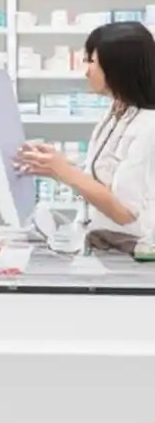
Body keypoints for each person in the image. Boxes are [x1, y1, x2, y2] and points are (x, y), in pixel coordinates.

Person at [15, 21, 155, 253]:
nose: (86, 70)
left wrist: (65, 172)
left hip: (133, 255)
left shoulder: (148, 126)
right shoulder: (115, 114)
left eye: (91, 61)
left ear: (117, 68)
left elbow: (125, 212)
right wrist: (54, 166)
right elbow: (102, 179)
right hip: (103, 247)